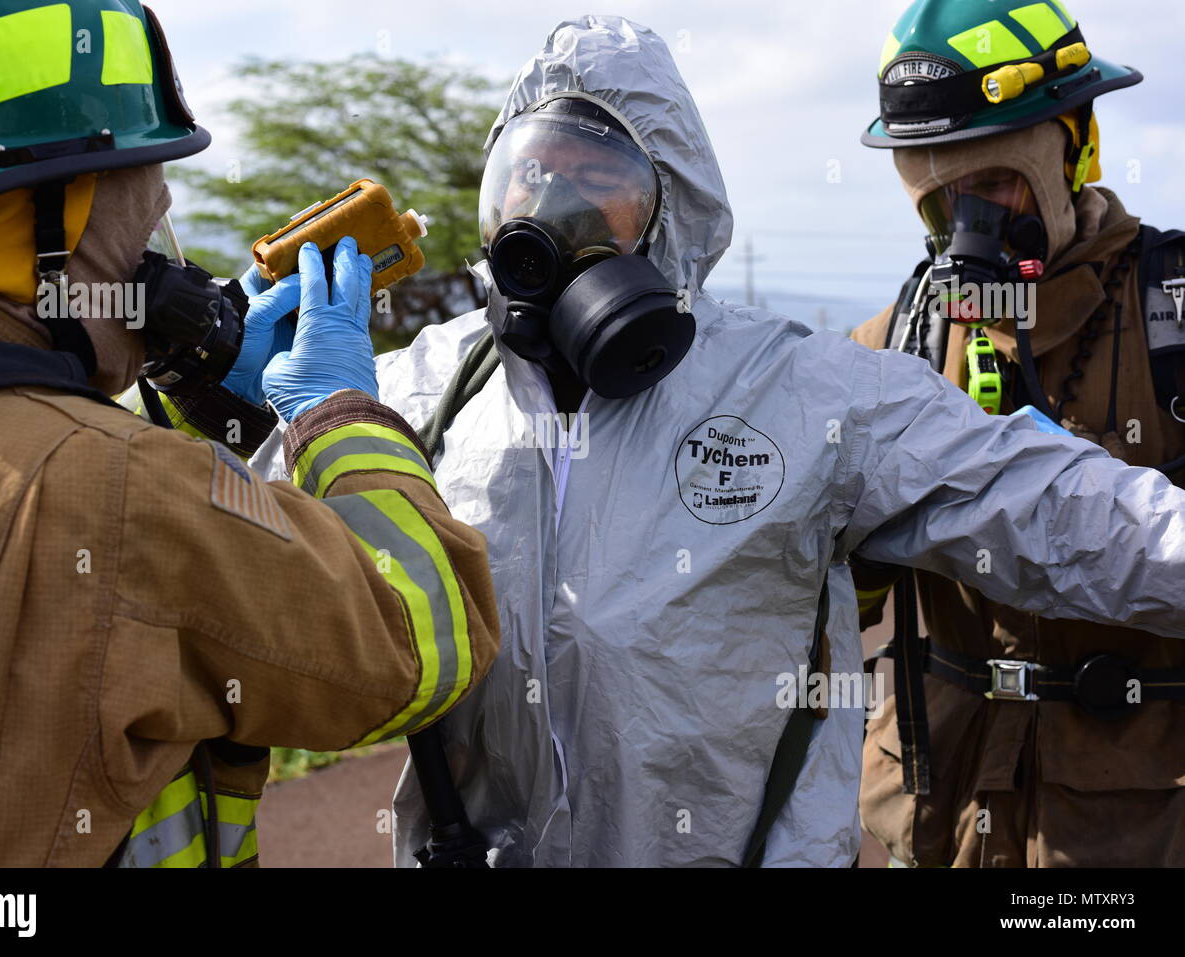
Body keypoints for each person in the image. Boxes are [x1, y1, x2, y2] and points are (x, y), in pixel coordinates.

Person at [250, 15, 1185, 869]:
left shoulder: (803, 391)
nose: (548, 207)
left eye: (595, 180)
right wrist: (207, 399)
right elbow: (228, 580)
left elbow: (1060, 508)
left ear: (671, 208)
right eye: (529, 175)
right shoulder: (422, 391)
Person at [0, 0, 498, 867]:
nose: (160, 263)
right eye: (143, 226)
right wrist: (335, 409)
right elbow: (420, 633)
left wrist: (189, 395)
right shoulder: (112, 495)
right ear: (43, 224)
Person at [852, 0, 1185, 867]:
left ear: (1075, 147)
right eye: (942, 204)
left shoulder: (1171, 319)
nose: (973, 229)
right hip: (937, 820)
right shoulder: (893, 346)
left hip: (1129, 833)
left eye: (995, 187)